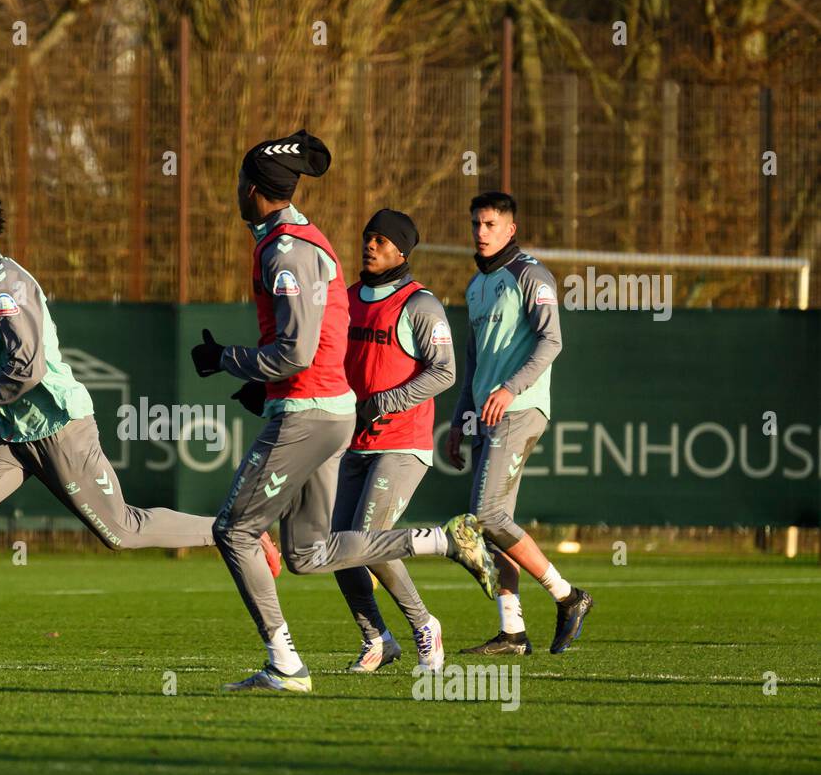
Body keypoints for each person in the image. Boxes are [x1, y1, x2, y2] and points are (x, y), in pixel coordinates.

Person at [0, 184, 281, 664]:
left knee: (121, 531)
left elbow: (27, 368)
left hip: (59, 427)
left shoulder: (5, 286)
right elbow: (13, 366)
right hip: (14, 432)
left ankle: (237, 531)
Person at [193, 130, 498, 694]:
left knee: (233, 531)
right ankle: (438, 547)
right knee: (311, 553)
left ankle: (287, 664)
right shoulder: (303, 247)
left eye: (240, 180)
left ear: (255, 187)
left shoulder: (288, 250)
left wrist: (227, 359)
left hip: (332, 418)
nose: (371, 246)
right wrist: (265, 388)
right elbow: (325, 343)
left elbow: (298, 350)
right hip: (334, 416)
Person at [447, 191, 594, 656]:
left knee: (486, 516)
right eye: (476, 224)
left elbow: (551, 342)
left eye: (491, 224)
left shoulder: (530, 275)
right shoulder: (475, 285)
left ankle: (567, 595)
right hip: (488, 415)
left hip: (521, 408)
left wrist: (510, 388)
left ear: (511, 229)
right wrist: (458, 420)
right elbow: (472, 361)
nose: (481, 232)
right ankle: (512, 631)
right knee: (496, 522)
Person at [335, 208, 454, 673]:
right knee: (335, 546)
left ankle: (425, 625)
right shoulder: (347, 300)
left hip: (402, 442)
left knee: (367, 540)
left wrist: (384, 401)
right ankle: (378, 639)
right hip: (353, 442)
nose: (371, 245)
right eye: (368, 237)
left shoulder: (420, 304)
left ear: (402, 251)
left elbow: (444, 371)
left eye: (382, 241)